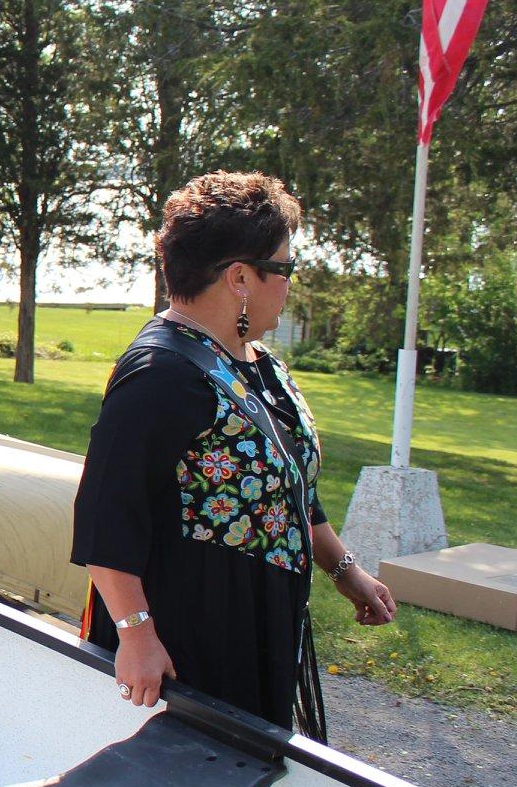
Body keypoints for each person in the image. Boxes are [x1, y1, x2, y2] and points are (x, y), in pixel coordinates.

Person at [73, 171, 397, 737]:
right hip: (189, 645)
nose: (290, 284)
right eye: (285, 269)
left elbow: (290, 488)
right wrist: (137, 635)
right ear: (241, 277)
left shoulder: (259, 365)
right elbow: (104, 518)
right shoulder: (161, 374)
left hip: (256, 630)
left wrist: (346, 571)